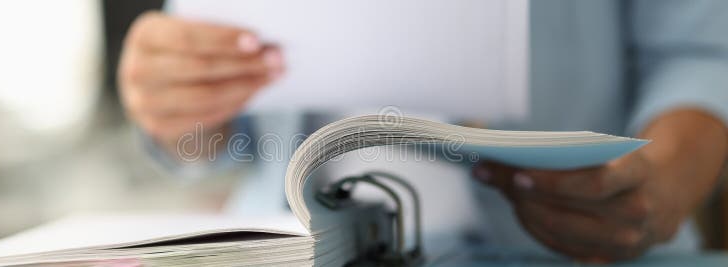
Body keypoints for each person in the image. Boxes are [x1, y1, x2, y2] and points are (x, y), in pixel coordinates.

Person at [116, 0, 728, 263]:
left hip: (571, 245)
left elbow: (702, 49)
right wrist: (181, 106)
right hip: (293, 244)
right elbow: (228, 139)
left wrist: (666, 178)